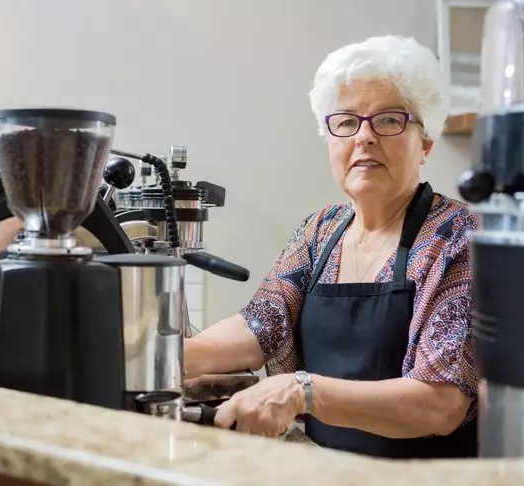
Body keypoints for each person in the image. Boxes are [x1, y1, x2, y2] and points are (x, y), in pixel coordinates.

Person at [184, 35, 478, 459]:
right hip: (326, 470)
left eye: (389, 120)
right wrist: (166, 358)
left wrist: (301, 391)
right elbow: (261, 325)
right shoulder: (321, 230)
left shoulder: (458, 237)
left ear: (425, 143)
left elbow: (440, 404)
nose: (364, 137)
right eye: (346, 121)